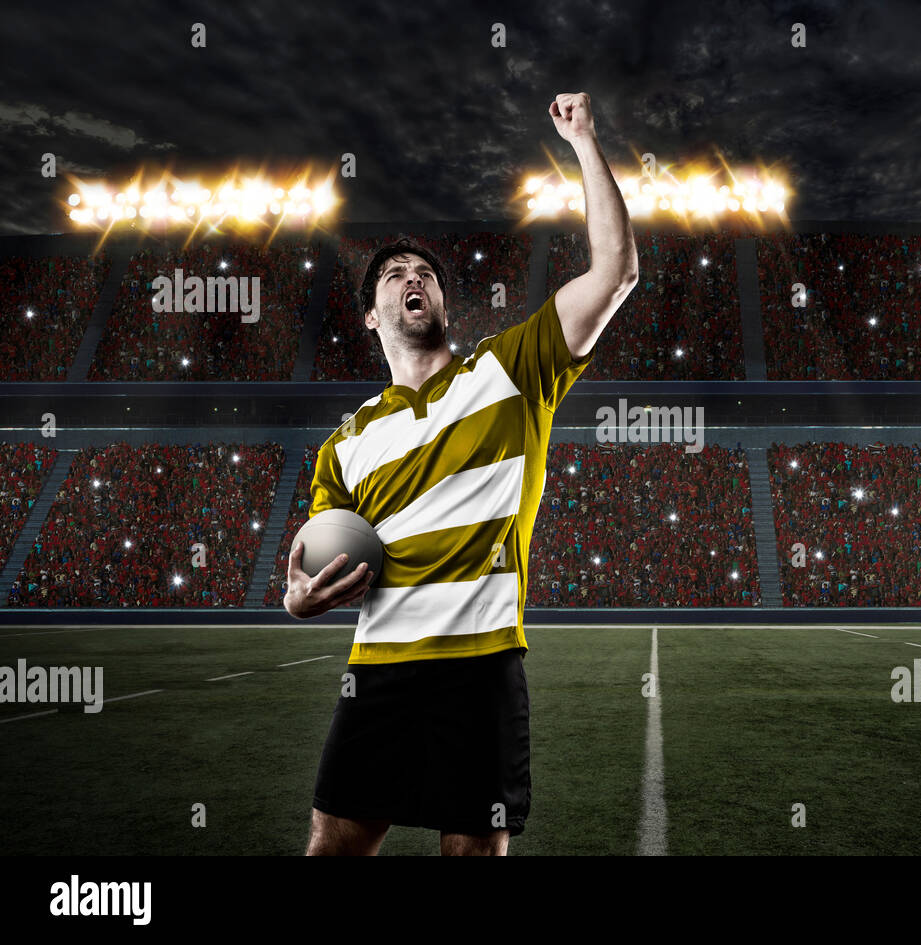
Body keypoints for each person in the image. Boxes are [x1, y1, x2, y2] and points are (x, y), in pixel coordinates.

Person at [284, 92, 637, 855]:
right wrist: (298, 597)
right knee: (332, 840)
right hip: (376, 668)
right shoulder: (342, 444)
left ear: (440, 300)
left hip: (480, 663)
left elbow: (614, 272)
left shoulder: (510, 368)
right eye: (394, 273)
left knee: (472, 851)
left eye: (425, 273)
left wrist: (584, 141)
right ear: (374, 316)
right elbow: (320, 557)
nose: (413, 276)